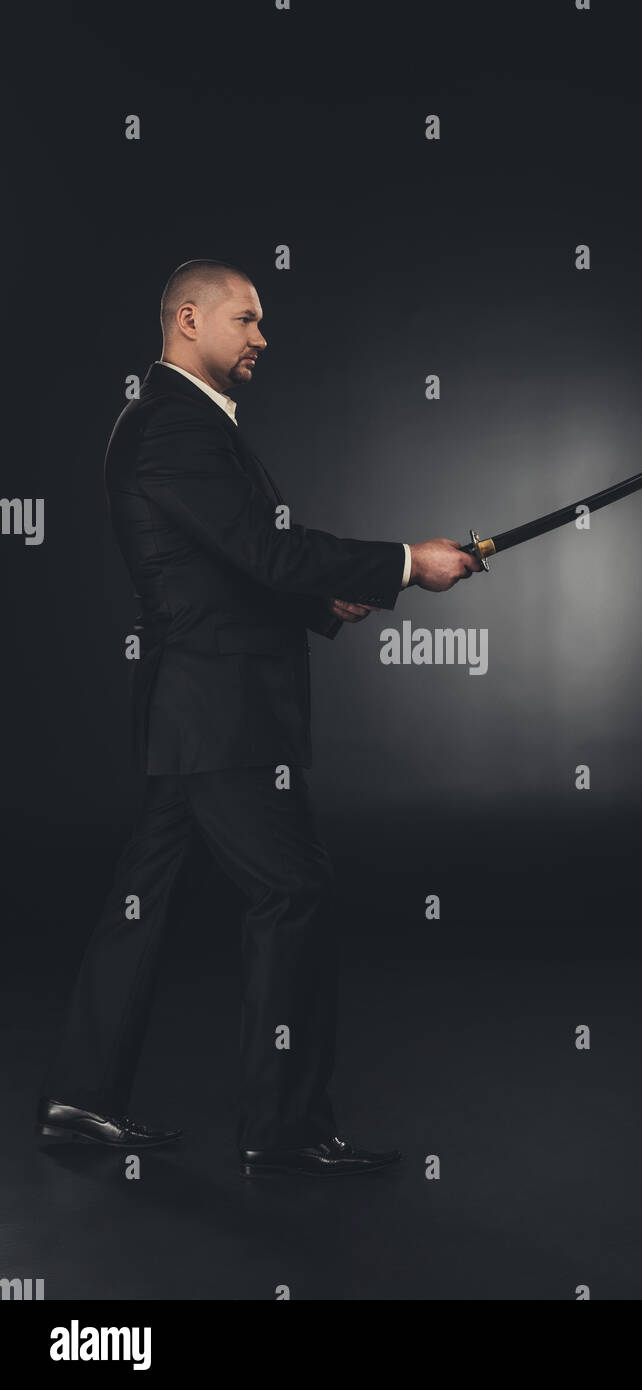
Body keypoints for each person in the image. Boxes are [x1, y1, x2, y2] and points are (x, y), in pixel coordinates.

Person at [36, 258, 481, 1178]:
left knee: (142, 903)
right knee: (294, 891)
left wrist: (323, 604)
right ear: (189, 320)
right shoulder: (173, 426)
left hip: (194, 713)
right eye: (248, 318)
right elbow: (264, 552)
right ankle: (281, 1133)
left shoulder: (182, 425)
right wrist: (403, 563)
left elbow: (233, 569)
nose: (262, 338)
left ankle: (79, 1101)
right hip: (219, 716)